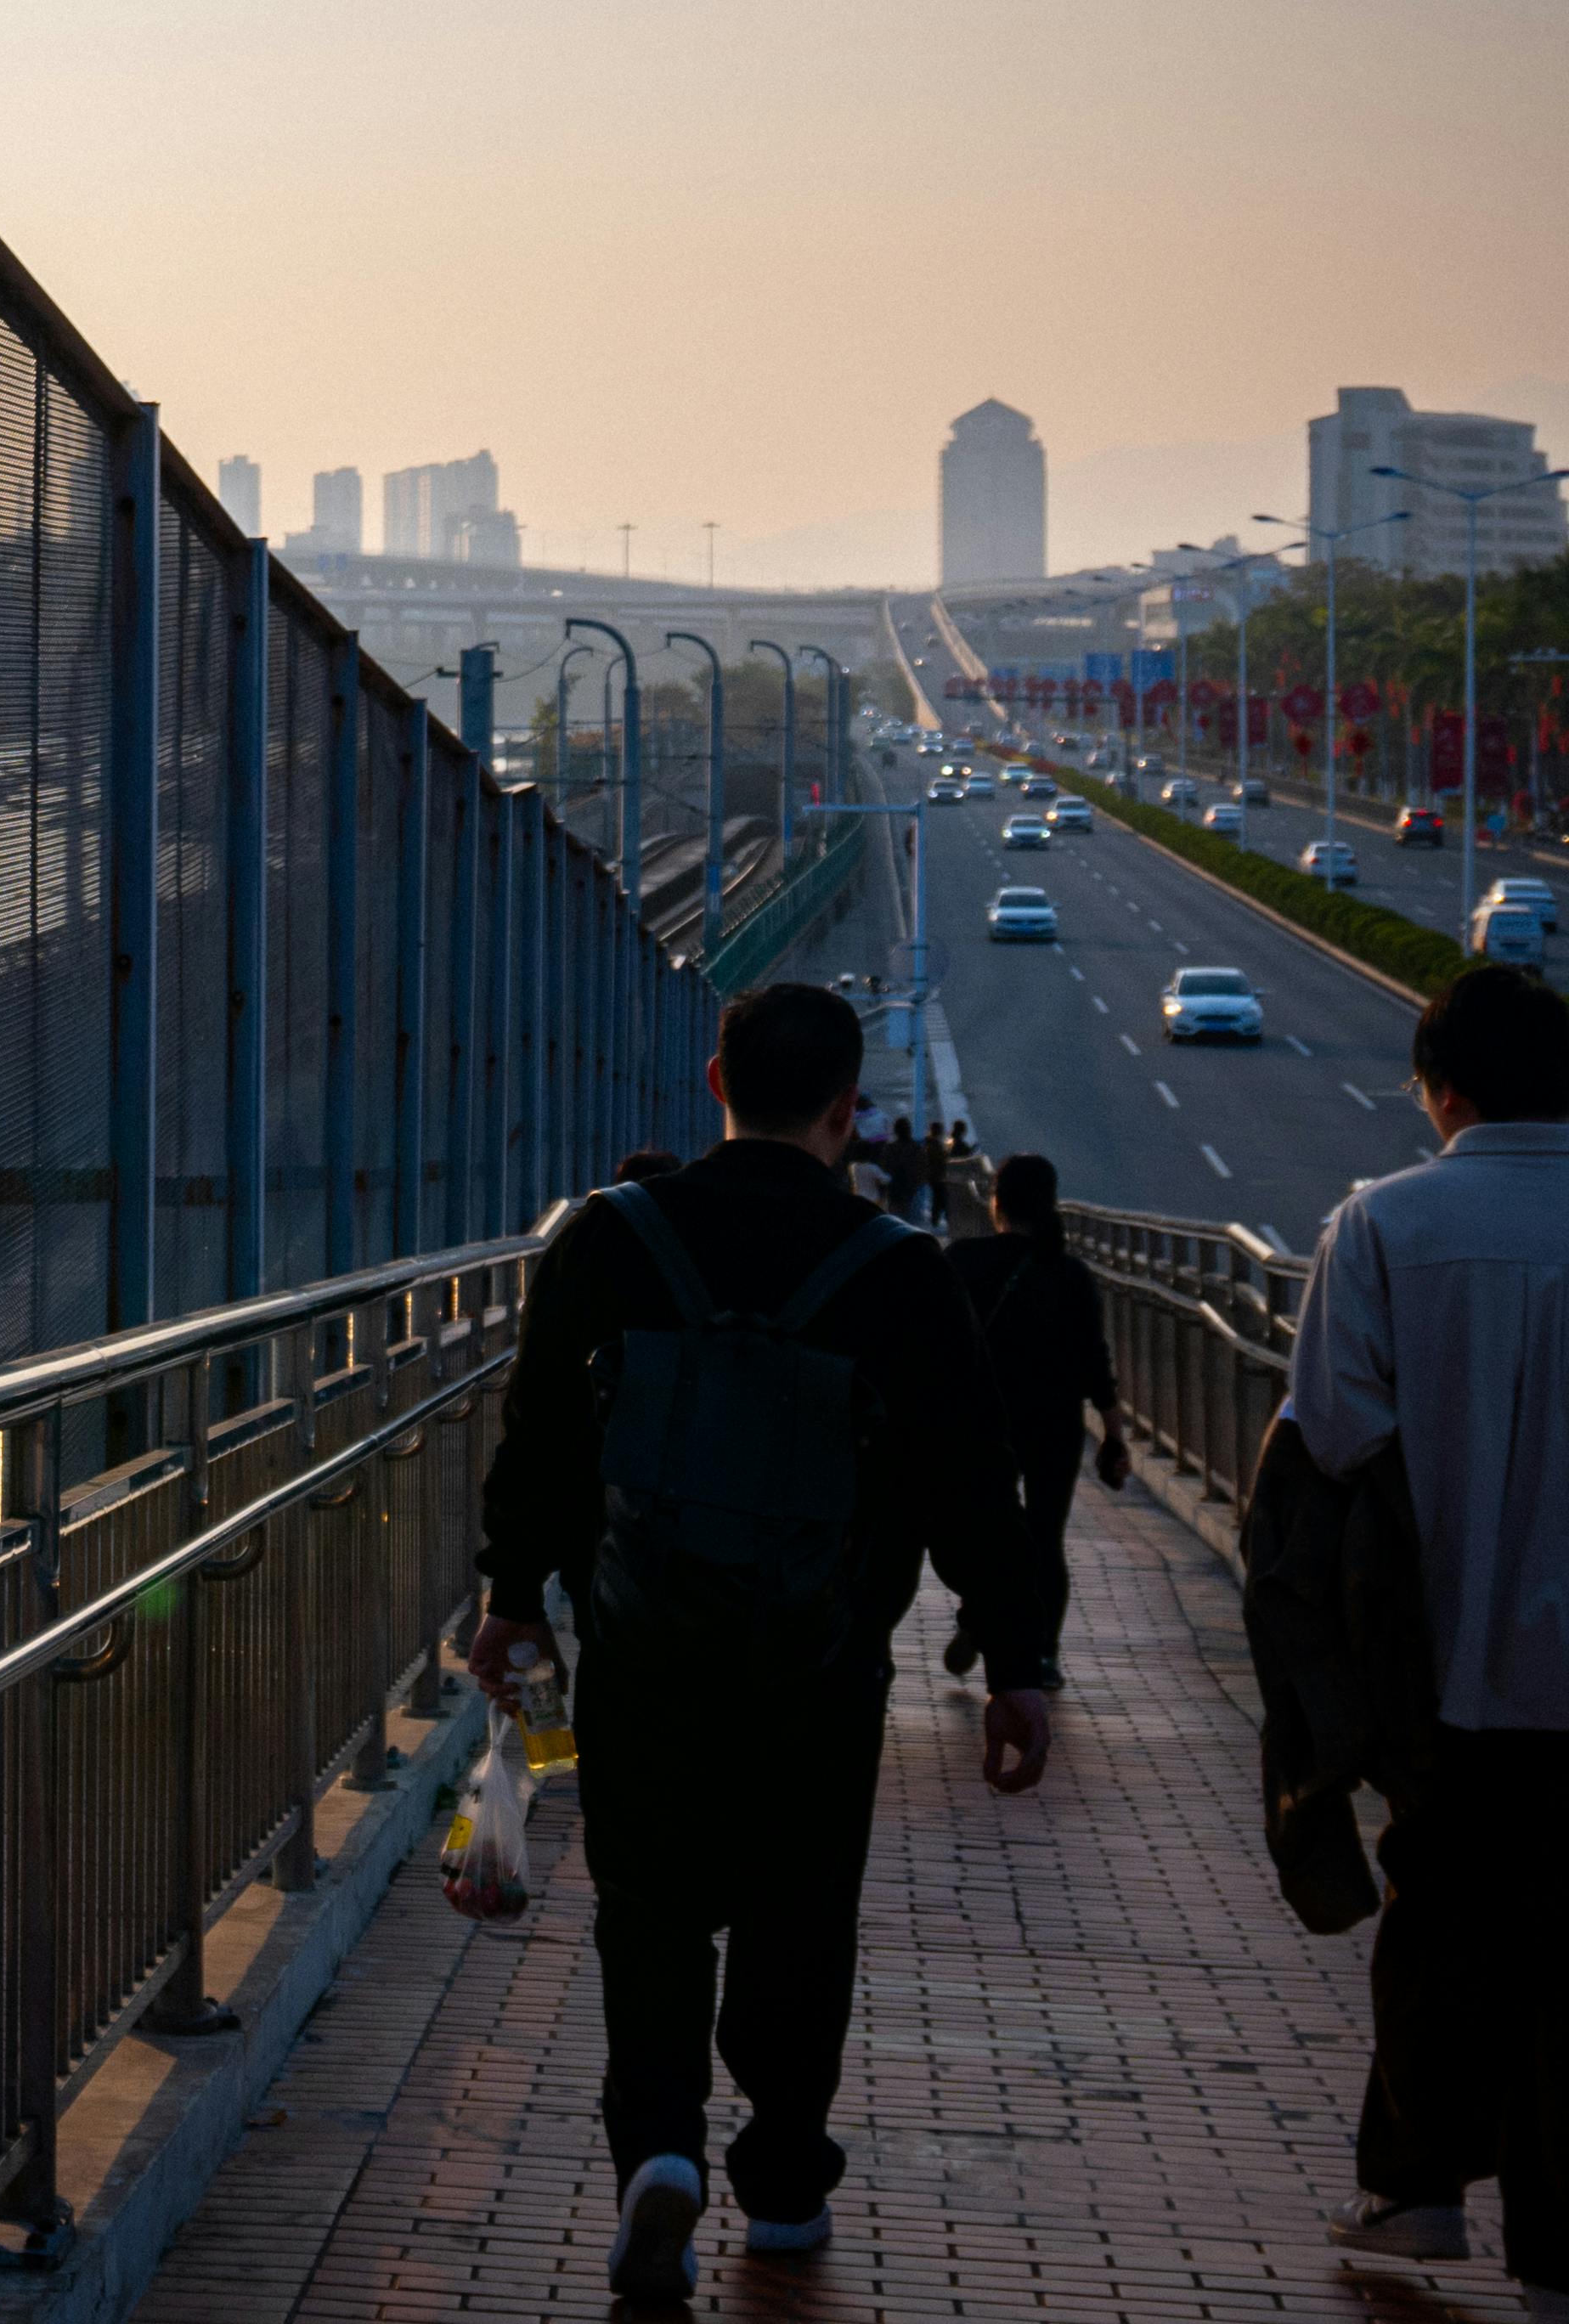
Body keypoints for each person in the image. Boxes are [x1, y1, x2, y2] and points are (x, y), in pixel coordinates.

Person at [472, 979, 1056, 2304]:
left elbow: (542, 1438)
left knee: (651, 1908)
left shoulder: (611, 1237)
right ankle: (784, 2180)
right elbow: (973, 1474)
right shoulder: (899, 1268)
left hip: (642, 1645)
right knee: (801, 1915)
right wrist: (1013, 1657)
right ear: (850, 1109)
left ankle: (658, 2150)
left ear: (716, 1079)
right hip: (822, 1656)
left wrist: (513, 1598)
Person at [1282, 966, 1569, 2310]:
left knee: (1444, 1919)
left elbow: (1335, 1434)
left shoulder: (1384, 1225)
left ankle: (1415, 2196)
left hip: (1445, 1662)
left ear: (1439, 1090)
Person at [933, 1152, 1128, 1679]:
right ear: (1049, 1205)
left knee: (982, 1528)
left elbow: (937, 1347)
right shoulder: (1069, 1274)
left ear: (995, 1202)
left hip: (981, 1423)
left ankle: (979, 1618)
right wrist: (1114, 1435)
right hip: (1053, 1426)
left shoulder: (962, 1261)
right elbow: (1095, 1362)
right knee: (1046, 1536)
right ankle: (1043, 1654)